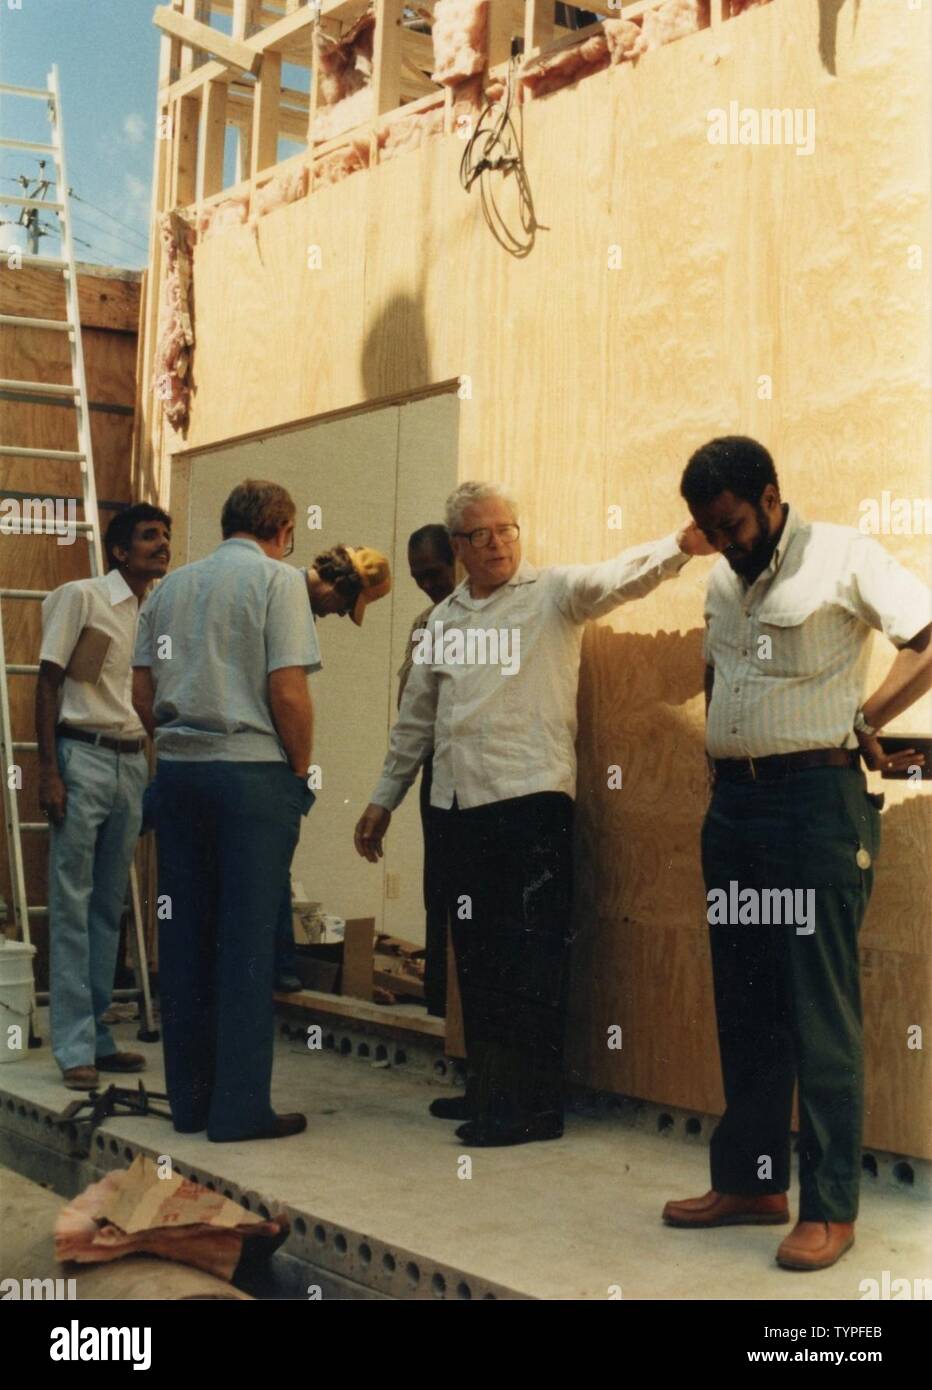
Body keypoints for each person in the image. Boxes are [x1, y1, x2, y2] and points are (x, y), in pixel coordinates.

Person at [354, 481, 711, 1146]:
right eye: (481, 535)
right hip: (458, 806)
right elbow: (417, 720)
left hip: (528, 804)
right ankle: (490, 1089)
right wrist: (383, 800)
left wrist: (680, 547)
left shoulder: (552, 595)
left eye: (507, 530)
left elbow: (619, 579)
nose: (497, 544)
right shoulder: (443, 622)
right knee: (478, 957)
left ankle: (532, 1109)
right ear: (458, 546)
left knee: (531, 960)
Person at [664, 436, 932, 1270]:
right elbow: (718, 668)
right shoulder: (719, 576)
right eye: (710, 529)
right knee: (743, 1000)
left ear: (772, 498)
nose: (726, 540)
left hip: (815, 807)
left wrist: (871, 719)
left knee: (818, 1010)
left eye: (735, 523)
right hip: (736, 809)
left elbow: (925, 637)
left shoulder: (846, 556)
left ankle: (830, 1208)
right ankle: (750, 1183)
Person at [132, 480, 319, 1142]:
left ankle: (191, 1103)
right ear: (284, 527)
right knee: (243, 944)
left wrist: (180, 745)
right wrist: (298, 773)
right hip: (251, 773)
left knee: (183, 940)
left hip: (180, 774)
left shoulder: (170, 589)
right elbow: (287, 691)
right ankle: (239, 1109)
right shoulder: (279, 581)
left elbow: (142, 690)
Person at [36, 502, 172, 1091]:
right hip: (80, 756)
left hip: (129, 762)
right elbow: (47, 681)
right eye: (148, 536)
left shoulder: (153, 613)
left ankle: (95, 1036)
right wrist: (48, 771)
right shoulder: (82, 597)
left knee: (107, 906)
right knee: (71, 905)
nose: (161, 544)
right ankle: (72, 1049)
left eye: (165, 536)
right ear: (119, 551)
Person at [274, 543, 392, 992]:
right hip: (264, 763)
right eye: (348, 603)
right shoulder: (287, 598)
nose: (342, 614)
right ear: (342, 583)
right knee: (270, 868)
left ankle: (279, 969)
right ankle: (278, 971)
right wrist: (299, 773)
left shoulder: (289, 598)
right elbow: (288, 695)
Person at [396, 525, 456, 1018]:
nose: (427, 585)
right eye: (418, 577)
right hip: (439, 770)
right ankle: (441, 1005)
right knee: (440, 888)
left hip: (485, 773)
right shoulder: (425, 623)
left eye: (434, 574)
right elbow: (408, 707)